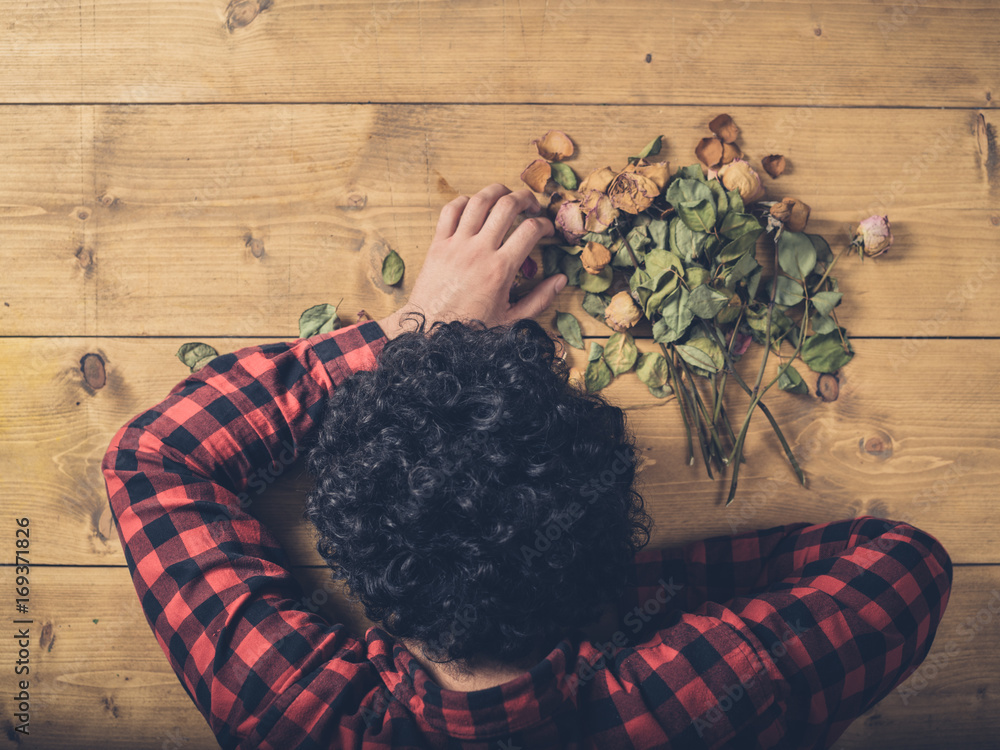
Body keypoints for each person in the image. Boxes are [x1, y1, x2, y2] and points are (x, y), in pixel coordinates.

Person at [102, 184, 952, 749]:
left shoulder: (298, 715)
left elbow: (152, 456)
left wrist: (413, 332)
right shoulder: (710, 688)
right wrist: (632, 592)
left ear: (359, 560)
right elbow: (906, 565)